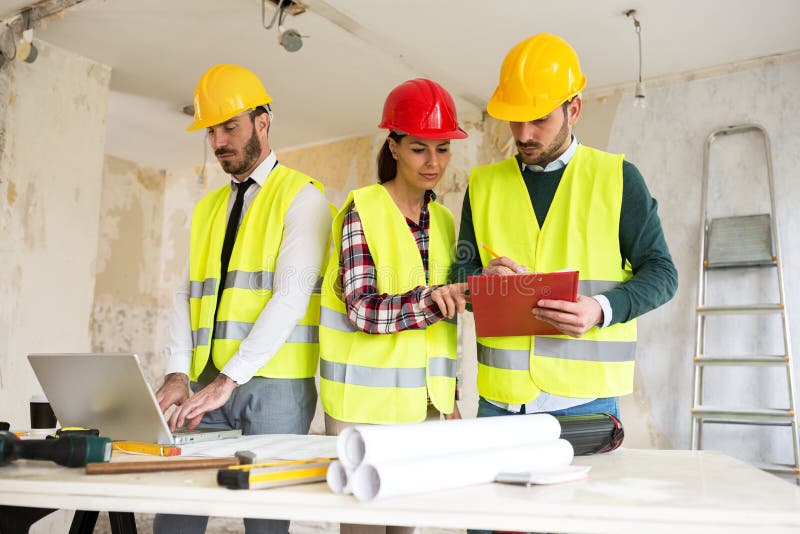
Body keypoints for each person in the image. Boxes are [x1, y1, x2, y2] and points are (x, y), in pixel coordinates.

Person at [451, 33, 678, 422]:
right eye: (515, 119)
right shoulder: (483, 185)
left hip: (586, 403)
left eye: (539, 119)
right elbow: (460, 276)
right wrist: (483, 282)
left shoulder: (618, 178)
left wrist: (600, 309)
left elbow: (662, 273)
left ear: (573, 110)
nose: (523, 134)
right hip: (498, 402)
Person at [153, 64, 332, 534]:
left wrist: (228, 380)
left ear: (263, 121)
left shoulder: (303, 197)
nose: (218, 142)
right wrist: (178, 371)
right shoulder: (208, 207)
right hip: (208, 381)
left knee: (265, 523)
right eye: (212, 131)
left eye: (229, 126)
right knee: (175, 512)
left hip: (276, 389)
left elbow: (290, 299)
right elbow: (186, 292)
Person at [319, 78, 468, 534]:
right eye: (420, 148)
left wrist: (451, 399)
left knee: (405, 527)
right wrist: (430, 302)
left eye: (442, 149)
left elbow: (447, 321)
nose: (433, 162)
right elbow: (362, 308)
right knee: (362, 527)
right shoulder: (362, 210)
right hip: (361, 407)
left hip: (423, 407)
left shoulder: (444, 219)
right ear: (395, 147)